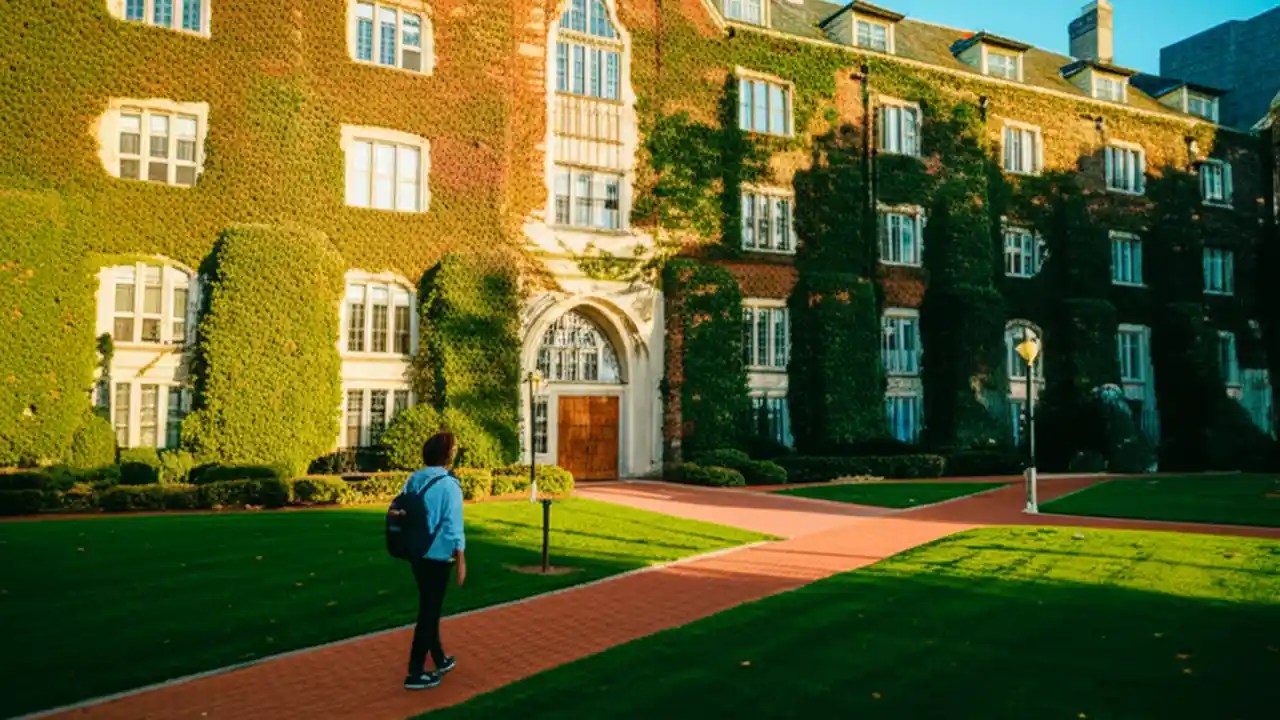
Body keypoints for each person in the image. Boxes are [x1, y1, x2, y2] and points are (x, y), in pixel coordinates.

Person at [402, 431, 467, 691]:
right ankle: (415, 671)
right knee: (430, 611)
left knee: (429, 604)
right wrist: (461, 558)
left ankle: (438, 657)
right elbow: (453, 526)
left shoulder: (414, 479)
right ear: (447, 455)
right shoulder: (449, 485)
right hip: (437, 554)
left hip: (416, 551)